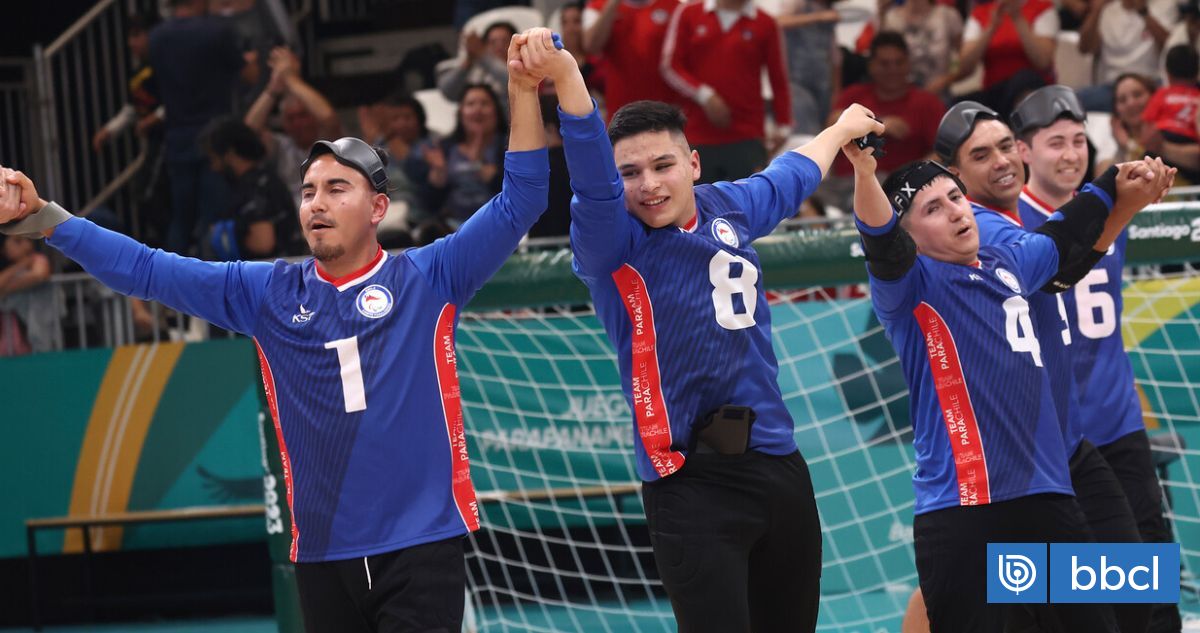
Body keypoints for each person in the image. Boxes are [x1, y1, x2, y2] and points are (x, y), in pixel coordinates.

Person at [0, 27, 557, 632]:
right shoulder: (267, 291)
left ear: (377, 208)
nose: (316, 202)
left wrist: (522, 89)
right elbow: (147, 270)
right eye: (309, 189)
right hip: (321, 555)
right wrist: (46, 220)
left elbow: (521, 199)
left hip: (421, 548)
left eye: (337, 188)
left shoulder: (428, 275)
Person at [527, 20, 883, 628]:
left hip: (778, 466)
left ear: (693, 164)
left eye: (662, 166)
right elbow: (590, 178)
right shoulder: (613, 245)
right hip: (690, 483)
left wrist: (841, 129)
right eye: (630, 174)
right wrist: (568, 80)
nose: (649, 185)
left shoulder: (732, 206)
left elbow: (795, 172)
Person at [845, 124, 1171, 630]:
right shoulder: (914, 284)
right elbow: (881, 244)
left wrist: (1117, 183)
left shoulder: (1010, 258)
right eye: (935, 208)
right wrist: (865, 173)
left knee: (1137, 593)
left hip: (1066, 468)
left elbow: (1068, 237)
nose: (955, 210)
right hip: (971, 507)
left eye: (954, 199)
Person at [935, 92, 1151, 633]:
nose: (1002, 160)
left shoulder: (1050, 218)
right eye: (982, 155)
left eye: (1004, 147)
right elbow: (1053, 267)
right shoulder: (977, 230)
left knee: (1138, 591)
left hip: (1084, 435)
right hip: (1019, 456)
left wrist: (1119, 201)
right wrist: (1113, 192)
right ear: (953, 173)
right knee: (1027, 599)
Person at [1011, 85, 1184, 633]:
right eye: (1055, 142)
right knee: (1055, 586)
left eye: (1079, 140)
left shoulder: (1111, 201)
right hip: (1052, 436)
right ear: (1023, 151)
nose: (1070, 153)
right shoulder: (1007, 223)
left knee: (1150, 581)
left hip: (1117, 423)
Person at [149, 0, 254, 255]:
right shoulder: (218, 30)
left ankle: (170, 287)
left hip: (177, 136)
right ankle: (215, 286)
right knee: (215, 217)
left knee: (181, 219)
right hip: (214, 138)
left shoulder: (157, 37)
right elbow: (248, 75)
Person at [660, 0, 793, 182]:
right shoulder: (689, 13)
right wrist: (705, 96)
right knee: (699, 206)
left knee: (748, 206)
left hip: (747, 135)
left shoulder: (765, 23)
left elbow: (778, 77)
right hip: (697, 134)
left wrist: (784, 126)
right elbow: (670, 66)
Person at [244, 45, 342, 207]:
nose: (298, 123)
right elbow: (248, 133)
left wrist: (291, 79)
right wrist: (273, 89)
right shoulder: (281, 145)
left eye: (303, 115)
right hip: (289, 220)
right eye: (291, 118)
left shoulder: (328, 143)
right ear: (283, 123)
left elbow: (328, 118)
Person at [200, 117, 303, 260]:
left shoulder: (254, 186)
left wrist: (223, 236)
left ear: (229, 154)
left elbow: (263, 242)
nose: (213, 167)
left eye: (214, 158)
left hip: (277, 268)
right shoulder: (263, 177)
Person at [409, 83, 507, 229]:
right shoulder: (444, 148)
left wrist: (484, 168)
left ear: (496, 112)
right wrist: (439, 173)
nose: (477, 110)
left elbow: (520, 194)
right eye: (470, 104)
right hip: (452, 228)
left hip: (499, 224)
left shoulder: (509, 146)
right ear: (461, 113)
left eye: (484, 103)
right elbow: (428, 204)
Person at [955, 0, 1058, 119]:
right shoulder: (980, 13)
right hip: (995, 92)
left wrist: (1017, 18)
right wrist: (991, 28)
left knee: (1023, 79)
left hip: (1032, 88)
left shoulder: (1042, 8)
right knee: (959, 107)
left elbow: (1043, 61)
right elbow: (964, 67)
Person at [582, 0, 682, 120]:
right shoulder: (597, 6)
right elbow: (590, 46)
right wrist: (612, 5)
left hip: (665, 109)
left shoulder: (675, 6)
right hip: (621, 111)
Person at [1077, 0, 1175, 112]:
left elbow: (1170, 47)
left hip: (1150, 81)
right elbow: (1084, 48)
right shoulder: (1107, 10)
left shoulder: (1165, 5)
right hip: (1112, 86)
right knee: (1070, 103)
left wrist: (1144, 12)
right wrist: (1096, 11)